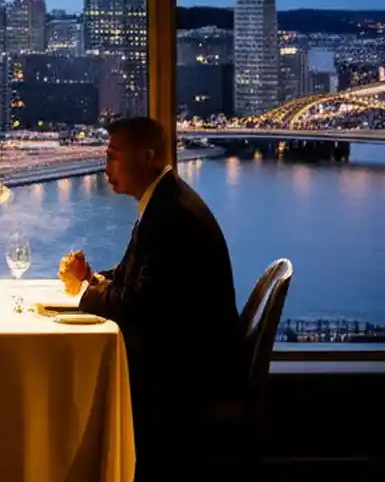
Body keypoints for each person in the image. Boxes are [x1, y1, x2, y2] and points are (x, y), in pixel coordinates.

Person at [59, 117, 247, 478]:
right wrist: (93, 278)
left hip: (184, 380)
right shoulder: (166, 200)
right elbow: (140, 279)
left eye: (114, 157)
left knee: (76, 392)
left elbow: (137, 307)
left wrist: (87, 290)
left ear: (146, 157)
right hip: (190, 360)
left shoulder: (170, 216)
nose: (105, 168)